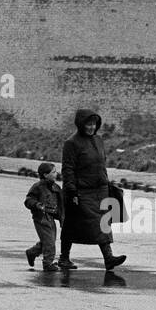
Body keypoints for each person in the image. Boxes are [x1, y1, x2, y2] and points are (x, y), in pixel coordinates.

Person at [60, 109, 127, 272]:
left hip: (100, 189)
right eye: (88, 124)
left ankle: (108, 258)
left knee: (103, 223)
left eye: (94, 124)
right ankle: (64, 257)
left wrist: (106, 181)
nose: (91, 127)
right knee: (72, 224)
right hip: (82, 190)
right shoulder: (71, 143)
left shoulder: (98, 140)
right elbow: (68, 169)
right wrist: (72, 192)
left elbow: (100, 164)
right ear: (80, 124)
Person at [24, 161, 63, 272]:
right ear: (45, 175)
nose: (56, 174)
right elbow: (28, 200)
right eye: (53, 172)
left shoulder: (56, 188)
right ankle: (48, 263)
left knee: (48, 241)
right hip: (41, 218)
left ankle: (32, 252)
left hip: (51, 218)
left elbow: (61, 205)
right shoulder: (38, 187)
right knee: (49, 241)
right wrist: (36, 205)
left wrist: (61, 218)